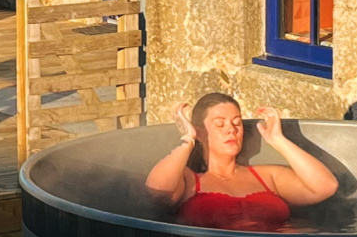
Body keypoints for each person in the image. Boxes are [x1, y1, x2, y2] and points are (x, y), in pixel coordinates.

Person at [144, 91, 339, 228]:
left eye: (237, 123)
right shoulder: (189, 180)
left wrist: (278, 140)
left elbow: (325, 187)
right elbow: (157, 193)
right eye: (220, 124)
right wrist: (188, 140)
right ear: (200, 132)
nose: (232, 129)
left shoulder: (267, 176)